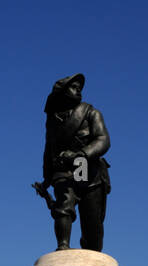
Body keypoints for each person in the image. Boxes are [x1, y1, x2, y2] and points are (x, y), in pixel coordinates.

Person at [37, 73, 111, 252]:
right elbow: (49, 149)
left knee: (90, 218)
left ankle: (91, 250)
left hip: (83, 166)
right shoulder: (52, 121)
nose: (78, 90)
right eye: (73, 87)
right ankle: (63, 245)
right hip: (63, 167)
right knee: (64, 204)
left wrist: (81, 154)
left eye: (79, 88)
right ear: (62, 92)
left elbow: (103, 139)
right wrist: (46, 179)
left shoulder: (90, 113)